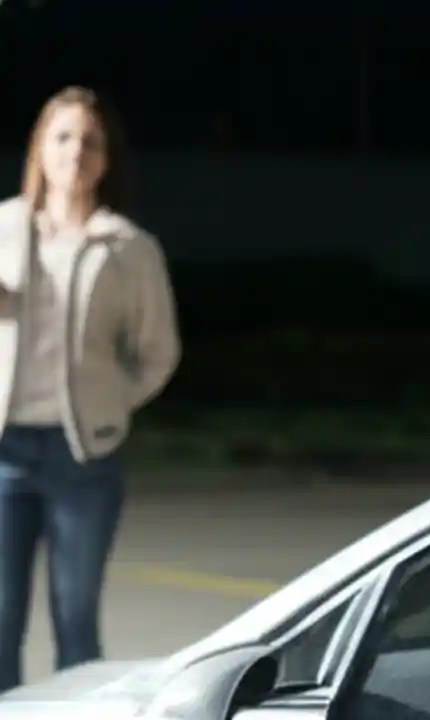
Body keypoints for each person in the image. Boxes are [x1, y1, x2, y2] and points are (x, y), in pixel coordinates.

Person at [0, 86, 181, 691]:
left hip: (84, 457)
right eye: (63, 136)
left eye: (91, 140)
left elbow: (159, 353)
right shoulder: (2, 228)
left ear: (106, 158)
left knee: (76, 624)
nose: (76, 151)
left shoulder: (129, 249)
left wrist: (110, 407)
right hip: (4, 453)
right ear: (39, 148)